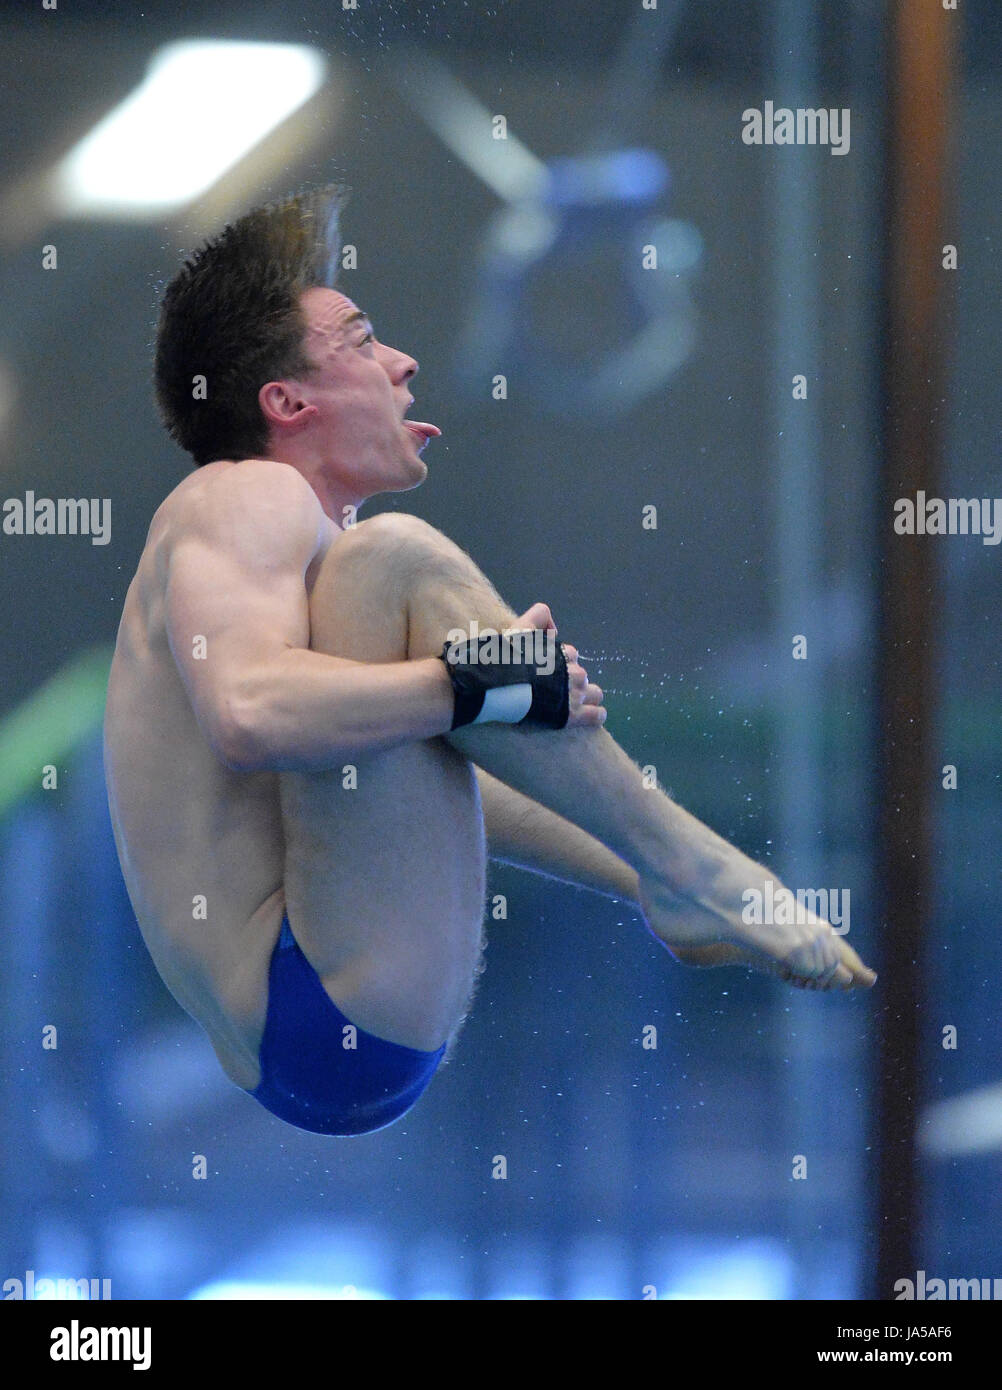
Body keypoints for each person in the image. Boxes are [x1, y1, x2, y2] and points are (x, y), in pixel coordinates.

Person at [103, 186, 875, 1137]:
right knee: (392, 560)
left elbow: (413, 776)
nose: (403, 362)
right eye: (363, 340)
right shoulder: (242, 497)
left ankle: (672, 876)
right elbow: (249, 713)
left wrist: (514, 735)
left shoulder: (299, 554)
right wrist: (475, 684)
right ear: (286, 401)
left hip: (326, 1035)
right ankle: (696, 866)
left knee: (400, 621)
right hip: (313, 997)